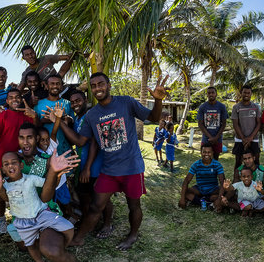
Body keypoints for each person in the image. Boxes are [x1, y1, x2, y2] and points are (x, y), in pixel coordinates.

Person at [58, 72, 170, 251]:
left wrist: (157, 100)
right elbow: (81, 141)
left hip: (132, 167)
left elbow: (154, 118)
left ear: (109, 85)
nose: (97, 88)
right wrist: (59, 121)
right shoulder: (92, 115)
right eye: (93, 86)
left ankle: (132, 235)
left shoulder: (126, 102)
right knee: (96, 206)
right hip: (109, 170)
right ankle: (78, 239)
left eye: (101, 84)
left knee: (133, 205)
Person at [0, 151, 84, 262]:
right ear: (3, 169)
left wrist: (56, 174)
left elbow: (48, 185)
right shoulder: (4, 184)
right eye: (6, 164)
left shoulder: (30, 179)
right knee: (31, 246)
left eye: (14, 162)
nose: (10, 166)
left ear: (21, 165)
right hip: (23, 222)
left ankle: (66, 243)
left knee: (66, 227)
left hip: (41, 214)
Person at [0, 89, 36, 233]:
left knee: (21, 190)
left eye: (17, 97)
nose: (14, 100)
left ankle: (21, 219)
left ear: (21, 99)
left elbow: (35, 133)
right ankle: (1, 219)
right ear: (7, 101)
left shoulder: (27, 116)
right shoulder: (2, 116)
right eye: (11, 98)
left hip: (21, 161)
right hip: (2, 162)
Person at [68, 90, 115, 238]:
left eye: (78, 100)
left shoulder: (91, 115)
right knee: (85, 195)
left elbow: (91, 141)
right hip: (83, 166)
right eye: (73, 102)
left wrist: (87, 168)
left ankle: (107, 224)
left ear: (85, 99)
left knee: (102, 197)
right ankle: (89, 222)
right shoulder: (77, 118)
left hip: (96, 166)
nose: (75, 104)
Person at [178, 145, 226, 211]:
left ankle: (201, 201)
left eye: (209, 152)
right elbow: (186, 181)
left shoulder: (217, 164)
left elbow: (222, 182)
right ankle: (209, 203)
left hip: (213, 190)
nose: (206, 154)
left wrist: (219, 199)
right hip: (200, 190)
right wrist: (182, 199)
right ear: (201, 152)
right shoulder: (196, 164)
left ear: (212, 153)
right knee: (185, 192)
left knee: (225, 193)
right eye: (204, 152)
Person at [36, 74, 74, 155]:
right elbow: (35, 127)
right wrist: (45, 120)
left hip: (65, 149)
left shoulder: (68, 104)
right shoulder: (38, 104)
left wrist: (65, 119)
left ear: (61, 86)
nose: (55, 86)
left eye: (58, 83)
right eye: (52, 83)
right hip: (45, 150)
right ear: (46, 86)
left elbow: (72, 123)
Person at [231, 85, 262, 169]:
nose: (246, 94)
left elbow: (258, 123)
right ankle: (236, 180)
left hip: (254, 139)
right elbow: (235, 124)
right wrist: (244, 138)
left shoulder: (256, 107)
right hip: (239, 139)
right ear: (241, 93)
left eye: (248, 93)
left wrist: (250, 137)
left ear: (251, 94)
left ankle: (257, 181)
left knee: (256, 161)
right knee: (238, 161)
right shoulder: (236, 107)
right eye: (244, 92)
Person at [196, 86, 228, 157]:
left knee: (216, 159)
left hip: (218, 139)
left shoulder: (222, 106)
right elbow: (200, 124)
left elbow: (224, 123)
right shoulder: (202, 107)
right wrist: (210, 137)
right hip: (206, 139)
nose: (211, 94)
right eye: (209, 93)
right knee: (205, 159)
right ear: (207, 95)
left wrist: (216, 137)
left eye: (212, 93)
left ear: (216, 94)